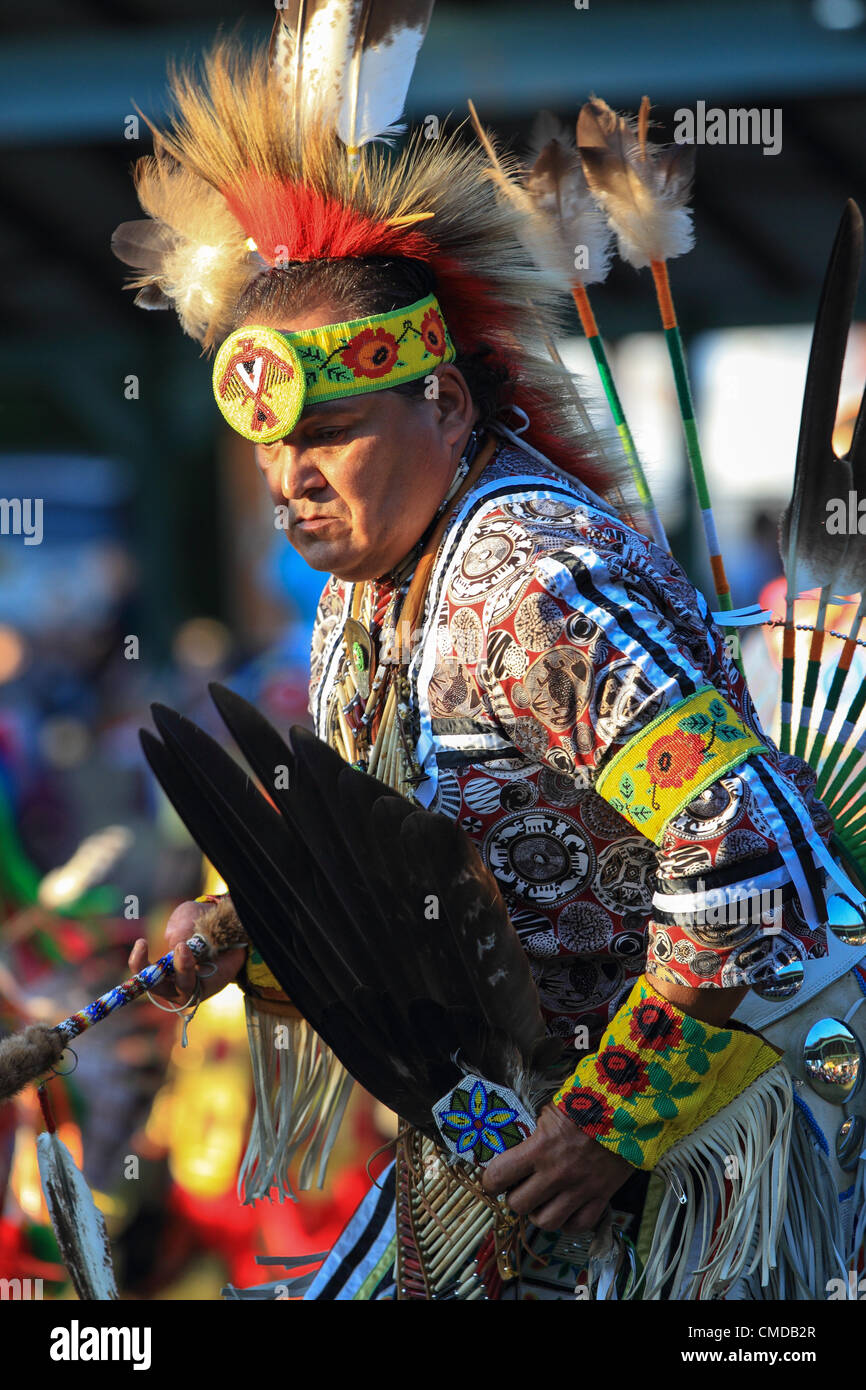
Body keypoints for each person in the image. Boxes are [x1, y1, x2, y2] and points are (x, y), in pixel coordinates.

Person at [117, 20, 864, 1300]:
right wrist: (252, 932)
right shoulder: (369, 585)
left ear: (446, 404)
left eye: (333, 436)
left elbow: (766, 865)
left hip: (678, 1182)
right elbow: (413, 870)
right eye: (268, 454)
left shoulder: (534, 585)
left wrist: (612, 1120)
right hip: (494, 1153)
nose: (291, 483)